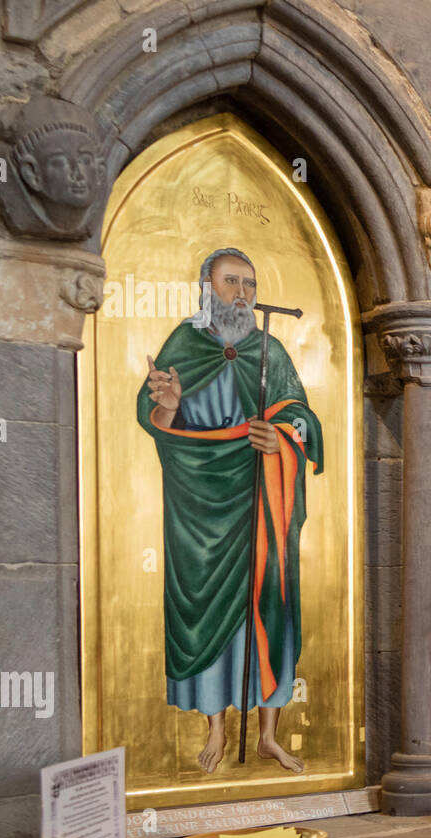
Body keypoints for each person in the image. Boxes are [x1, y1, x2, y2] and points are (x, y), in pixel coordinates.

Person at [138, 247, 322, 773]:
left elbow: (301, 415)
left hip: (264, 504)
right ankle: (216, 725)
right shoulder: (183, 343)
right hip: (200, 508)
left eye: (249, 283)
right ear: (207, 286)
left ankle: (267, 735)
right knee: (204, 612)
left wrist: (282, 436)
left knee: (269, 607)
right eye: (231, 282)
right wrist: (170, 404)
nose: (242, 293)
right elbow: (152, 413)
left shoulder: (272, 351)